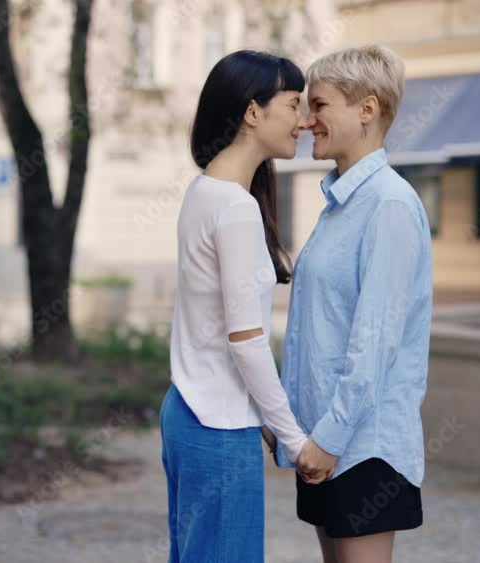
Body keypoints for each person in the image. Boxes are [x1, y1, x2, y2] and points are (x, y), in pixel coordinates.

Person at [160, 50, 335, 563]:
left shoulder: (205, 191)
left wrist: (261, 416)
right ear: (252, 112)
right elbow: (246, 341)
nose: (303, 120)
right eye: (293, 104)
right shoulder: (234, 207)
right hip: (216, 427)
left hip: (189, 412)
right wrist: (294, 439)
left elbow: (210, 326)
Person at [275, 45, 433, 563]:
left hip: (362, 450)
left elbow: (375, 342)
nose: (306, 121)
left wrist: (328, 440)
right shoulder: (340, 204)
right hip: (324, 442)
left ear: (367, 109)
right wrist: (293, 426)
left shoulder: (389, 204)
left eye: (319, 105)